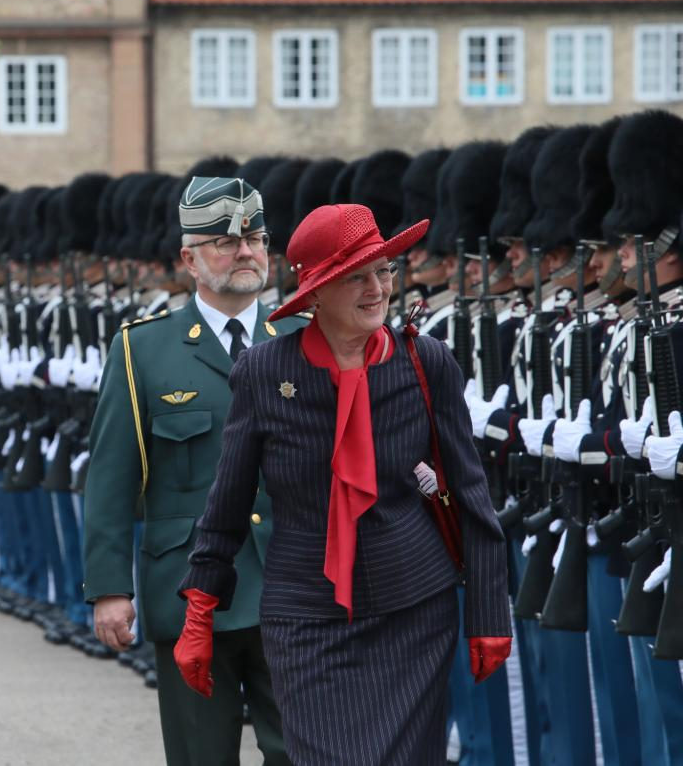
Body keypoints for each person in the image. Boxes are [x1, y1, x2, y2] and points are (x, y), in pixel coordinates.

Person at [175, 203, 511, 765]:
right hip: (306, 615)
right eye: (357, 276)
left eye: (383, 271)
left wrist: (488, 613)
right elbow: (227, 501)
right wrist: (201, 605)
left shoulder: (424, 362)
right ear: (317, 292)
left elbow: (471, 495)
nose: (378, 288)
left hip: (415, 611)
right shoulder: (264, 371)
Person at [83, 175, 305, 765]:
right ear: (188, 258)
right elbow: (111, 475)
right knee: (199, 755)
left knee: (302, 752)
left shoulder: (304, 339)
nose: (246, 253)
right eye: (225, 242)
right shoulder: (143, 349)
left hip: (292, 585)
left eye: (255, 238)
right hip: (189, 592)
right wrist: (110, 590)